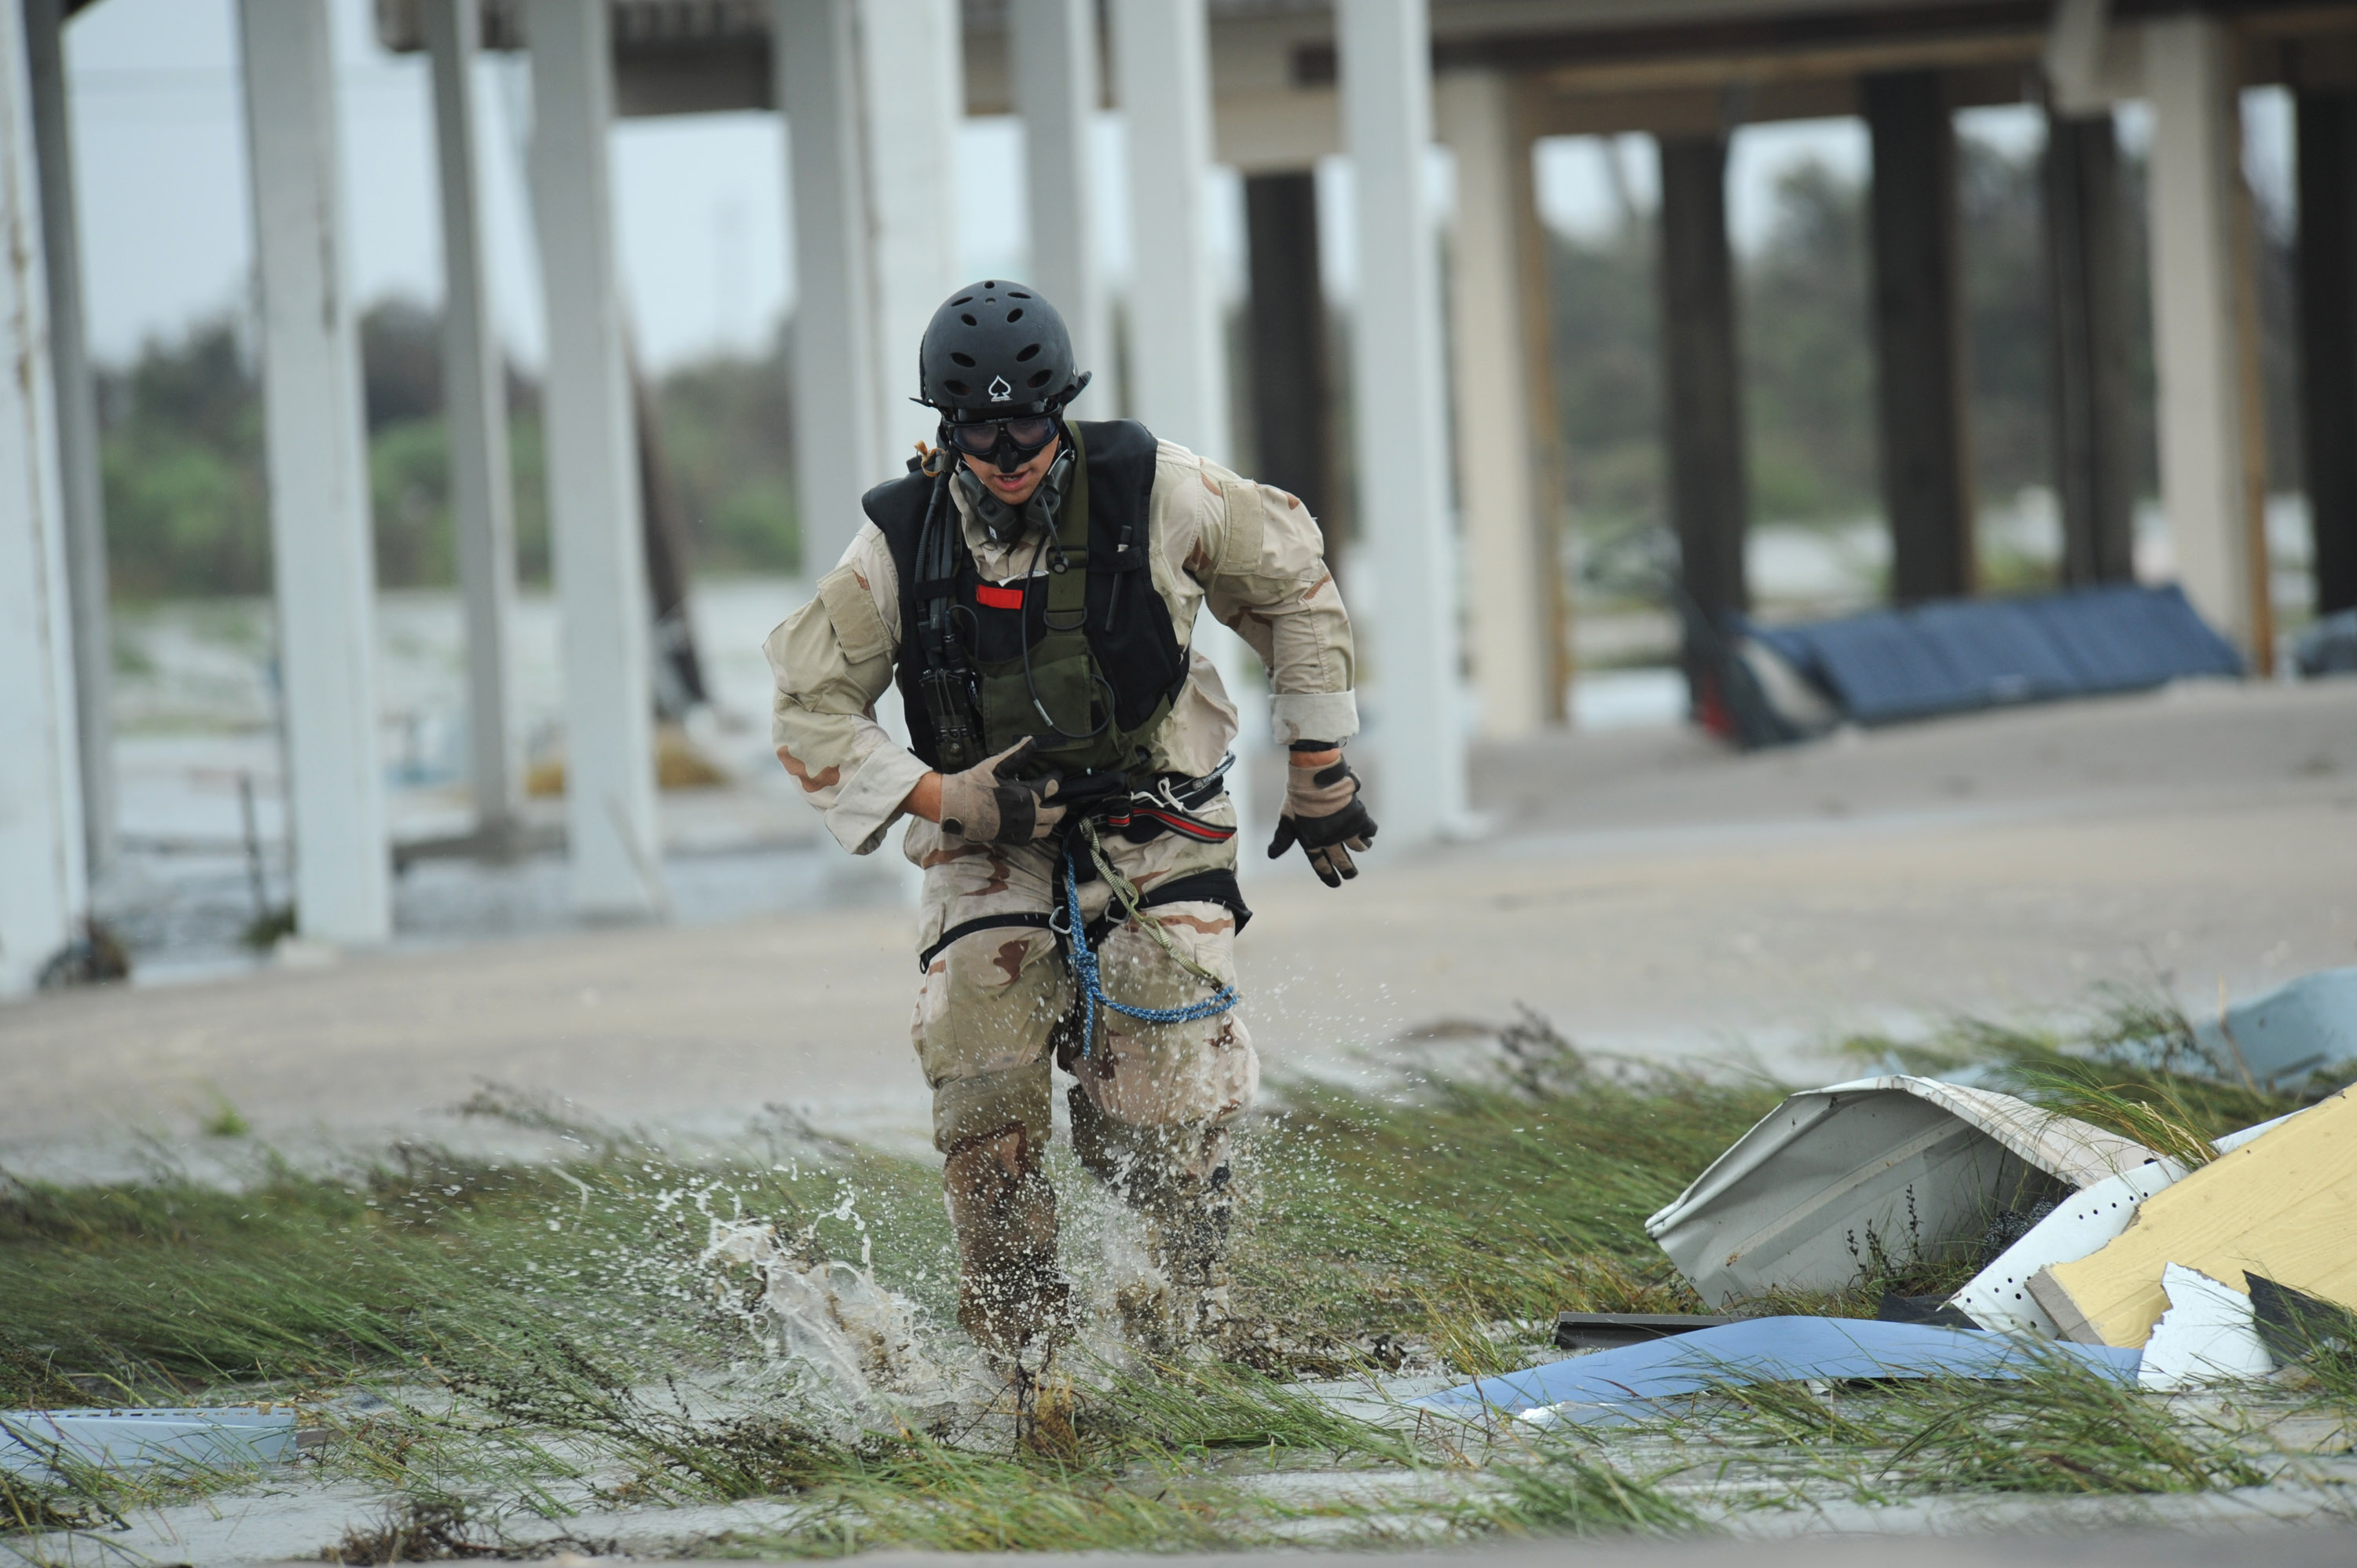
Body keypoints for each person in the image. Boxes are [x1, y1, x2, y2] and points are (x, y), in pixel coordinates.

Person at [764, 280, 1373, 1372]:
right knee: (984, 1110)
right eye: (983, 433)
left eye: (1030, 425)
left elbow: (1294, 585)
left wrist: (1319, 760)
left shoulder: (1161, 489)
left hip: (1160, 829)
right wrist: (947, 801)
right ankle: (1024, 1368)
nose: (1010, 454)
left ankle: (1184, 1335)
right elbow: (809, 707)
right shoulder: (897, 543)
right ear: (947, 431)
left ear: (1064, 408)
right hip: (991, 844)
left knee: (1161, 1117)